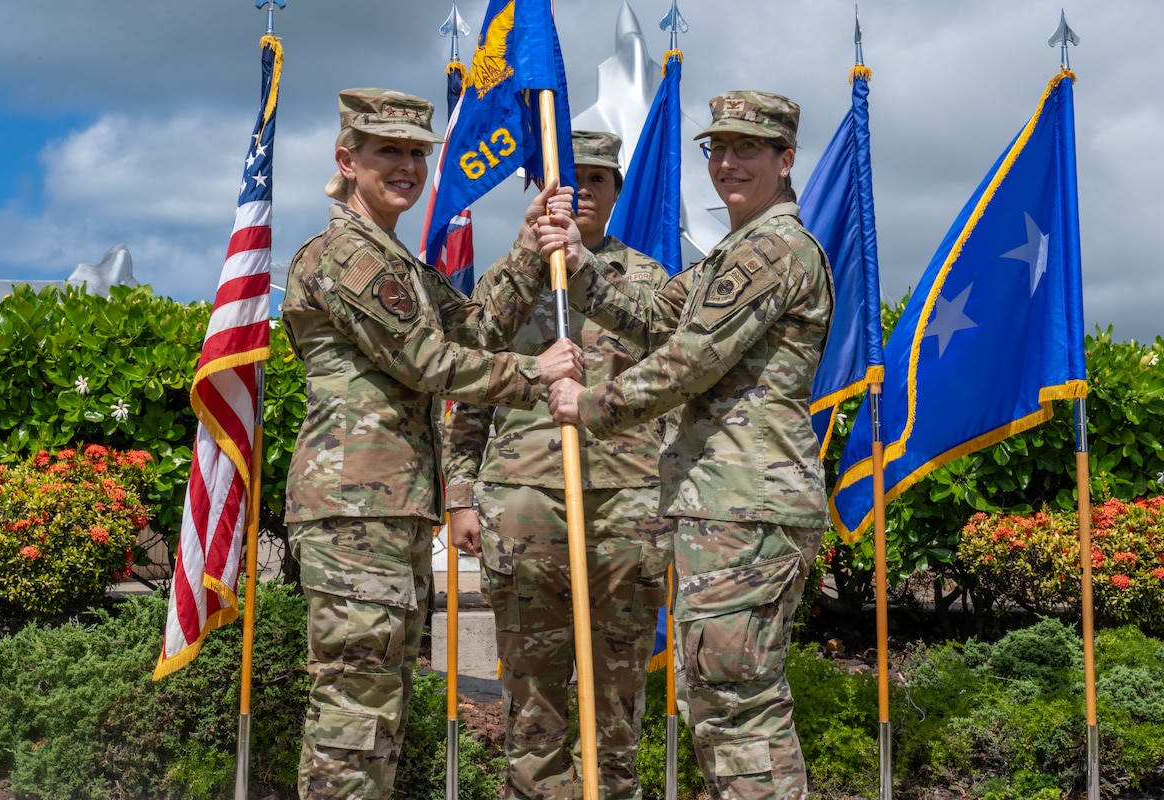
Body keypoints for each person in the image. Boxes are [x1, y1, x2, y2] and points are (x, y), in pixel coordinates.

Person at [281, 87, 582, 800]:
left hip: (391, 511)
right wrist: (534, 375)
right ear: (346, 160)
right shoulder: (344, 256)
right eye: (389, 150)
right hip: (355, 511)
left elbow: (475, 329)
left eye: (418, 152)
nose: (408, 166)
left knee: (379, 709)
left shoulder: (400, 265)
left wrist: (527, 244)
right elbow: (429, 362)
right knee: (354, 715)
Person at [540, 92, 834, 799]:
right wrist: (578, 263)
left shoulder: (773, 249)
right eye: (717, 150)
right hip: (726, 504)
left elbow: (688, 361)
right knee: (719, 698)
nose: (728, 163)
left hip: (747, 505)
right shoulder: (729, 256)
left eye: (748, 150)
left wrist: (590, 406)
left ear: (785, 159)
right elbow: (651, 316)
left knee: (737, 704)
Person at [443, 131, 673, 800]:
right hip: (524, 505)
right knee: (532, 694)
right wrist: (461, 494)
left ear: (616, 191)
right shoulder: (508, 281)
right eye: (571, 181)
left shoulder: (651, 283)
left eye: (598, 180)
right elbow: (468, 387)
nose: (584, 194)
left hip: (628, 507)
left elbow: (683, 384)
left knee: (619, 693)